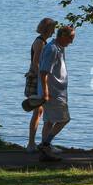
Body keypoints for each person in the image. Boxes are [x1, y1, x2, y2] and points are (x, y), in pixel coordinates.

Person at [37, 24, 75, 162]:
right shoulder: (52, 49)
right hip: (53, 93)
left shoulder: (59, 48)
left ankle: (45, 153)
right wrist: (46, 93)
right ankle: (45, 144)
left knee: (49, 122)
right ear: (63, 36)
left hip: (57, 91)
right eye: (71, 38)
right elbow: (43, 72)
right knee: (64, 119)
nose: (72, 41)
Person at [25, 17, 56, 149]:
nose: (54, 31)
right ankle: (31, 143)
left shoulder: (44, 42)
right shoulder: (40, 42)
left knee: (41, 112)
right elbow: (35, 62)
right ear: (47, 29)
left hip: (38, 78)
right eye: (52, 28)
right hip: (35, 79)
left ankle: (44, 143)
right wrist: (42, 79)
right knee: (37, 111)